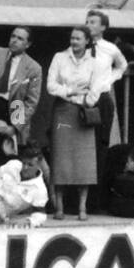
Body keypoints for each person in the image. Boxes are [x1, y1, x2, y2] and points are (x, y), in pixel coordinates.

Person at [46, 26, 99, 219]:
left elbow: (96, 89)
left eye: (78, 38)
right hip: (62, 112)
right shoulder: (59, 58)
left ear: (87, 41)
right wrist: (71, 91)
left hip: (83, 113)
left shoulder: (94, 63)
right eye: (72, 38)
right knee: (61, 159)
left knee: (84, 162)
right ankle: (59, 207)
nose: (74, 41)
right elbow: (51, 86)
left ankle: (82, 208)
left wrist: (86, 99)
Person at [0, 26, 42, 170]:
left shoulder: (33, 67)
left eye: (20, 39)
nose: (14, 41)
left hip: (14, 110)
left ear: (28, 44)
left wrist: (13, 128)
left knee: (7, 160)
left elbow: (31, 102)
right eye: (13, 36)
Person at [85, 10, 128, 206]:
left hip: (101, 99)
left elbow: (122, 66)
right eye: (87, 21)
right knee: (82, 146)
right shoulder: (79, 46)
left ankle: (94, 200)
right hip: (82, 97)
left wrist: (109, 80)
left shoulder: (109, 49)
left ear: (103, 27)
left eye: (93, 22)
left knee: (100, 147)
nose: (88, 25)